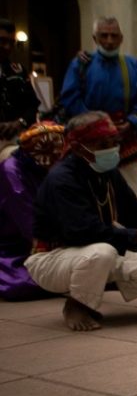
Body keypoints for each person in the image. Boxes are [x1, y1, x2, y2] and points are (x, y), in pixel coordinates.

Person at [25, 112, 137, 331]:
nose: (112, 149)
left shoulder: (107, 173)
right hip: (51, 259)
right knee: (102, 252)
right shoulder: (62, 180)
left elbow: (136, 211)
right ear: (78, 148)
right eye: (103, 144)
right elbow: (83, 231)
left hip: (91, 255)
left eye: (114, 142)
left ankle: (89, 287)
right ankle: (77, 304)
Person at [58, 16, 137, 197]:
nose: (109, 41)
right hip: (87, 140)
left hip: (123, 137)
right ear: (95, 38)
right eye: (104, 35)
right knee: (88, 193)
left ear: (121, 38)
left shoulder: (133, 65)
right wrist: (94, 125)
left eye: (114, 36)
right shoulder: (81, 64)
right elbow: (69, 98)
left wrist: (131, 123)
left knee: (131, 192)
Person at [0, 122, 66, 301]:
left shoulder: (53, 166)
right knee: (24, 284)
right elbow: (28, 221)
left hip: (53, 237)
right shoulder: (11, 171)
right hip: (13, 245)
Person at [0, 18, 41, 160]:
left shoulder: (18, 71)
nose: (7, 47)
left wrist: (20, 122)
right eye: (2, 41)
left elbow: (33, 104)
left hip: (16, 138)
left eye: (11, 43)